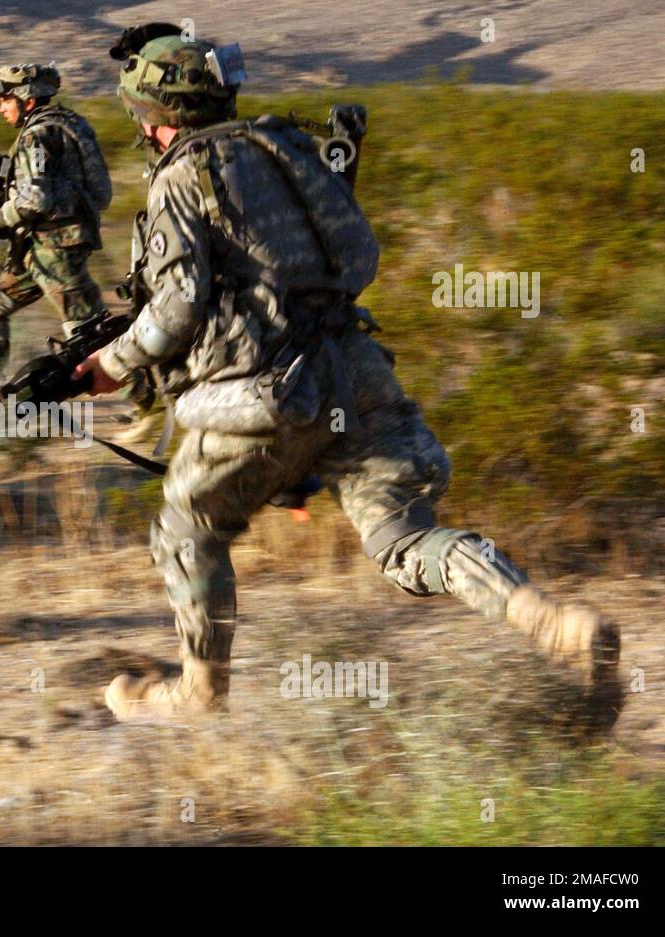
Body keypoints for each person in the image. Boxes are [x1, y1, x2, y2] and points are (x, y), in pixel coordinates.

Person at [72, 29, 621, 722]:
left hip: (269, 388)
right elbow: (360, 252)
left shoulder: (183, 176)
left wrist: (109, 366)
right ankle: (555, 624)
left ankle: (199, 693)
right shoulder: (290, 148)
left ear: (156, 118)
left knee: (188, 525)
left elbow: (178, 304)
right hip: (355, 370)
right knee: (404, 538)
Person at [0, 63, 112, 385]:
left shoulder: (36, 135)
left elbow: (37, 199)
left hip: (56, 252)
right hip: (38, 253)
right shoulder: (69, 124)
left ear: (27, 100)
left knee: (89, 341)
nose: (2, 108)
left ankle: (148, 405)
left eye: (6, 99)